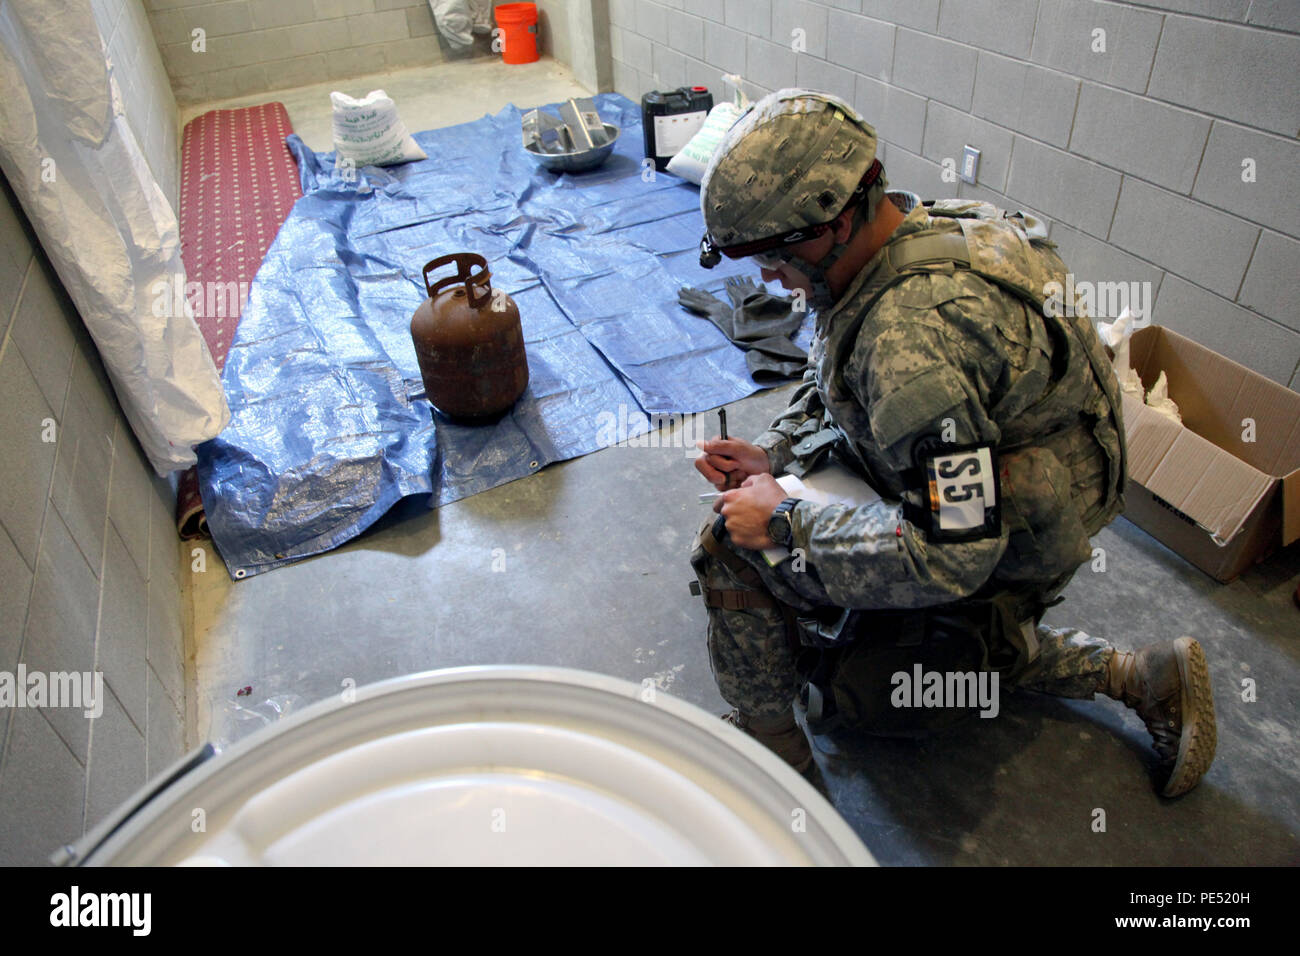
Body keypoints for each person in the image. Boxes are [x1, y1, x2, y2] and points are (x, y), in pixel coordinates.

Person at [688, 89, 1217, 798]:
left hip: (1011, 529)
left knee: (737, 554)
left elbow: (953, 550)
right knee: (822, 586)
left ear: (835, 221)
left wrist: (783, 521)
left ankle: (777, 759)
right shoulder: (912, 233)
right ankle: (1116, 670)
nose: (762, 275)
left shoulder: (912, 341)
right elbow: (843, 377)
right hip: (1026, 474)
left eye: (770, 253)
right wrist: (777, 453)